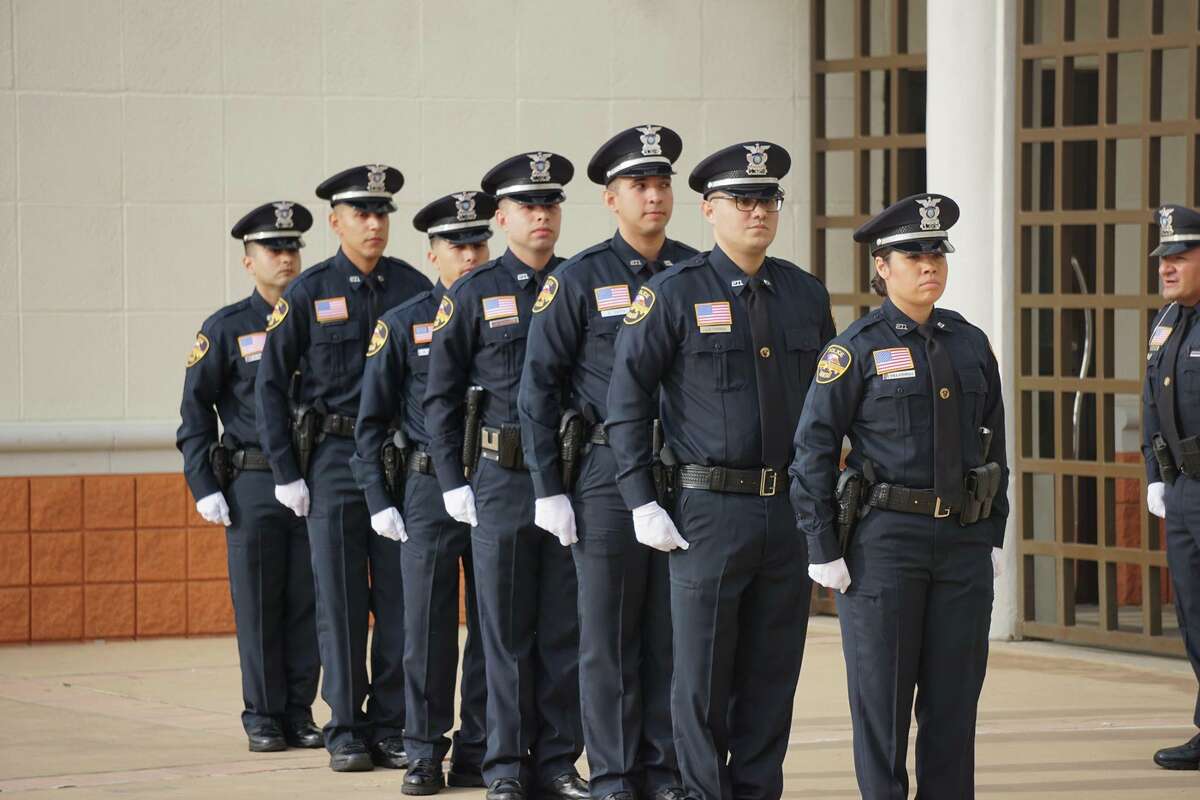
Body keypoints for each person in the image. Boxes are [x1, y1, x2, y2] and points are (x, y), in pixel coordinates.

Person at [606, 142, 834, 800]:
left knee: (771, 673)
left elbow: (825, 411)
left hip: (786, 510)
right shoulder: (672, 294)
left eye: (768, 200)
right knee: (702, 675)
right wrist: (641, 500)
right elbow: (626, 401)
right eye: (743, 200)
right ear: (709, 209)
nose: (758, 212)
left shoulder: (802, 292)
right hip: (708, 511)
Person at [790, 193, 1008, 798]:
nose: (929, 263)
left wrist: (991, 532)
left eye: (937, 250)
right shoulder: (853, 349)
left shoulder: (969, 343)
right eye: (912, 252)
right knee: (883, 708)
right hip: (885, 544)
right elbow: (812, 448)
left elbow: (995, 448)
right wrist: (822, 544)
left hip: (962, 543)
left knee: (953, 706)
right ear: (881, 267)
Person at [518, 125, 696, 800]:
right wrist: (546, 486)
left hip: (680, 473)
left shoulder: (692, 272)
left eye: (661, 184)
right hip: (600, 474)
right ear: (611, 199)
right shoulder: (578, 279)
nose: (653, 196)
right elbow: (537, 386)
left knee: (669, 635)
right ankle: (617, 774)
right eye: (638, 186)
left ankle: (663, 769)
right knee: (609, 634)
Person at [254, 164, 432, 772]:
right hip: (332, 458)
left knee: (402, 595)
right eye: (361, 213)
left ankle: (392, 722)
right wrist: (285, 472)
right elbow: (270, 388)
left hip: (400, 460)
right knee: (341, 598)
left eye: (382, 213)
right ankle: (347, 728)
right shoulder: (307, 294)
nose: (375, 224)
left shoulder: (412, 286)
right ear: (336, 222)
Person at [424, 152, 587, 800]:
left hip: (573, 479)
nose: (541, 215)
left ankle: (554, 762)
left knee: (564, 631)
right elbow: (438, 396)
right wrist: (450, 480)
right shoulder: (472, 292)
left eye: (549, 204)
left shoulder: (581, 283)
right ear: (502, 217)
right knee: (504, 633)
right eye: (527, 206)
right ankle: (503, 769)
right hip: (500, 477)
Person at [351, 190, 496, 794]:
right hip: (427, 488)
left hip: (494, 485)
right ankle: (423, 752)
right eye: (456, 246)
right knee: (427, 629)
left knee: (496, 629)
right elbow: (369, 424)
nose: (469, 255)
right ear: (432, 254)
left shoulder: (512, 309)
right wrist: (378, 500)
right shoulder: (403, 322)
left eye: (477, 243)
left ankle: (480, 750)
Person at [177, 201, 322, 754]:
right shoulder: (227, 328)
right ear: (249, 260)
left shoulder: (316, 318)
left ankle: (300, 711)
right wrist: (204, 485)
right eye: (273, 249)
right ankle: (263, 714)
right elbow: (195, 415)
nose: (286, 258)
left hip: (313, 478)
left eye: (292, 248)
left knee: (309, 602)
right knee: (260, 602)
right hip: (254, 481)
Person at [1142, 203, 1200, 770]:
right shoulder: (1167, 322)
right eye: (1164, 258)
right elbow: (1151, 400)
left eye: (1181, 257)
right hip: (1183, 489)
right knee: (1194, 616)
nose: (1168, 267)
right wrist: (1155, 475)